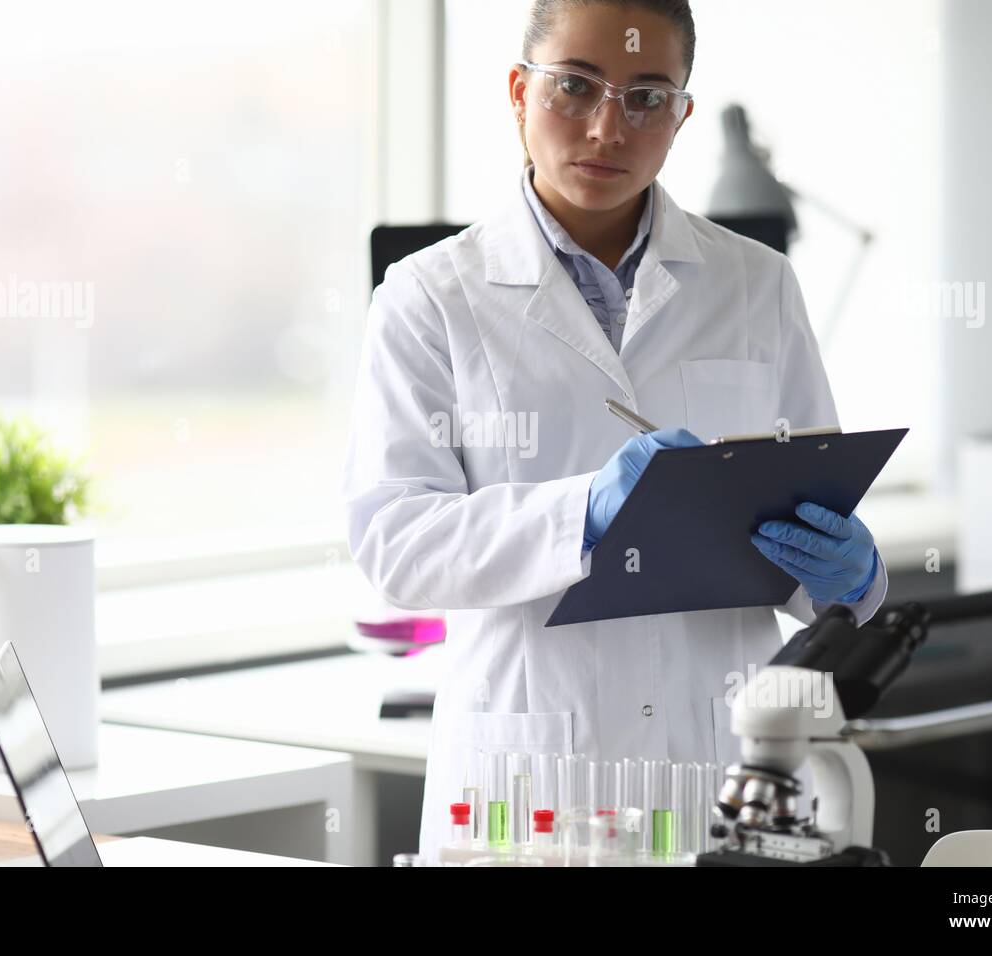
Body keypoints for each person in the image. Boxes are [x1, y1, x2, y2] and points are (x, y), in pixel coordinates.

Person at [341, 0, 885, 864]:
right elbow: (396, 542)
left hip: (714, 767)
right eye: (575, 87)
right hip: (527, 779)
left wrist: (853, 576)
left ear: (681, 118)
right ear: (518, 92)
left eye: (645, 96)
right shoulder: (429, 297)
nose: (606, 126)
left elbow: (806, 521)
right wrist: (583, 511)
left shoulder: (758, 285)